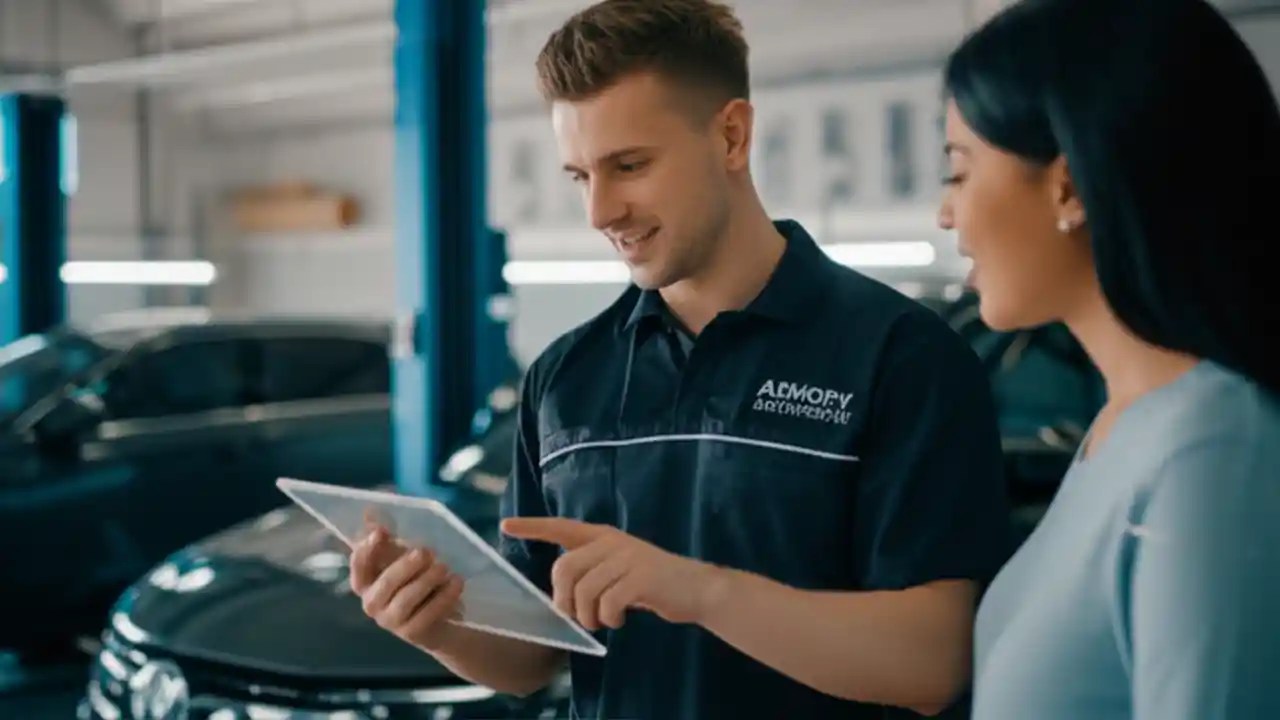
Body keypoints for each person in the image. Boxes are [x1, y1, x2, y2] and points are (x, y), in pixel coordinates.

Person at [349, 1, 1010, 718]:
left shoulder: (900, 357)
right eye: (579, 176)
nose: (600, 211)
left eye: (629, 165)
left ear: (731, 135)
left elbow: (935, 663)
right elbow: (535, 659)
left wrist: (700, 590)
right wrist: (438, 624)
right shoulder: (565, 379)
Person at [936, 0, 1280, 717]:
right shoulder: (1123, 424)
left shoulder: (1211, 444)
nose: (947, 214)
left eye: (960, 173)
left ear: (1066, 186)